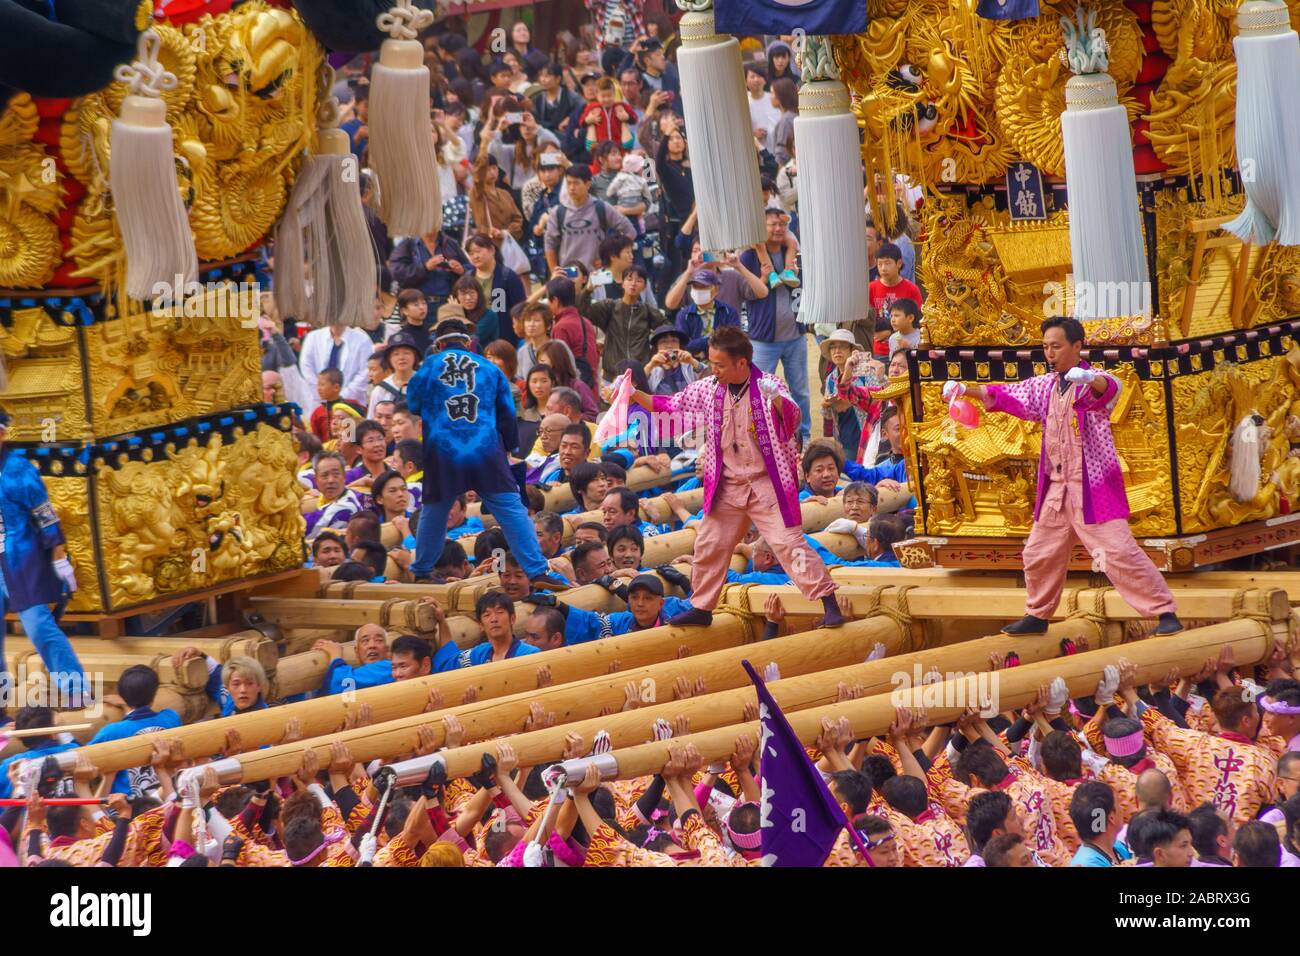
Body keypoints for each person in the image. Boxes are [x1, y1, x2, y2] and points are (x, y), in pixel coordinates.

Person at [944, 316, 1182, 636]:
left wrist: (1087, 377)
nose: (1050, 353)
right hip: (1057, 488)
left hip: (1092, 488)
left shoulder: (1091, 380)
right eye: (1045, 347)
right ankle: (1038, 615)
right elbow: (1004, 394)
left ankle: (1164, 612)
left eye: (1056, 346)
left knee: (1118, 551)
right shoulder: (1045, 386)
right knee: (1039, 552)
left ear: (1077, 346)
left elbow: (1110, 387)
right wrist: (965, 389)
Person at [628, 327, 843, 628]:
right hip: (728, 483)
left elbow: (792, 418)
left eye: (719, 364)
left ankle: (828, 601)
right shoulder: (709, 388)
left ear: (741, 363)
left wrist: (778, 401)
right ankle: (702, 606)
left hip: (766, 481)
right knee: (709, 542)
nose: (713, 369)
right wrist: (634, 394)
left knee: (786, 542)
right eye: (712, 363)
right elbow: (672, 404)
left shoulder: (769, 385)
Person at [405, 317, 568, 591]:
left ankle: (421, 569)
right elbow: (507, 414)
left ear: (440, 344)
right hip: (485, 451)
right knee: (511, 509)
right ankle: (537, 569)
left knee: (434, 510)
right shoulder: (490, 369)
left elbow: (413, 404)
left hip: (443, 452)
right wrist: (510, 449)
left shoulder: (428, 367)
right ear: (469, 344)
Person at [0, 409, 86, 709]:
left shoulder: (18, 470)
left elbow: (45, 516)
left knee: (39, 627)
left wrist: (59, 557)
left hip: (21, 559)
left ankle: (76, 689)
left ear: (2, 433)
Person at [741, 208, 811, 441]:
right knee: (759, 392)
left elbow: (803, 282)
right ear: (762, 227)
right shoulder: (749, 257)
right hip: (763, 340)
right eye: (772, 224)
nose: (778, 228)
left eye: (782, 224)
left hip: (795, 337)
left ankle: (804, 436)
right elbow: (747, 293)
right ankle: (761, 437)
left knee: (800, 391)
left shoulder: (792, 250)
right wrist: (763, 278)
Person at [87, 665, 183, 797]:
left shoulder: (111, 732)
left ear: (122, 695)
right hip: (170, 796)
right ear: (154, 694)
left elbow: (85, 757)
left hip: (126, 806)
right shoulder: (171, 718)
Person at [545, 165, 636, 272]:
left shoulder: (602, 208)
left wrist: (610, 258)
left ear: (587, 184)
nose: (571, 188)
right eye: (568, 183)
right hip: (569, 274)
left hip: (597, 272)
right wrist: (554, 273)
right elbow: (550, 244)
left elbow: (630, 231)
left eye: (576, 183)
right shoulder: (558, 212)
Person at [298, 323, 373, 416]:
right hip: (317, 403)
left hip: (350, 405)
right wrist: (321, 391)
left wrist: (339, 397)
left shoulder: (363, 340)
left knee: (348, 430)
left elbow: (365, 373)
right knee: (318, 428)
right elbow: (306, 367)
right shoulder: (313, 337)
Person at [389, 227, 469, 311]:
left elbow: (471, 269)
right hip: (417, 305)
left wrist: (461, 270)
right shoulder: (408, 245)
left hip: (448, 303)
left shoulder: (450, 243)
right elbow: (397, 273)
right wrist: (425, 267)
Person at [868, 243, 922, 358]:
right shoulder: (871, 288)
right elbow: (868, 320)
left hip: (905, 349)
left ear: (899, 263)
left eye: (887, 263)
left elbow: (917, 320)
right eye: (879, 264)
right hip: (879, 351)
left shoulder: (911, 289)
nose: (883, 268)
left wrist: (890, 332)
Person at [367, 331, 422, 418]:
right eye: (396, 354)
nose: (401, 358)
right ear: (389, 359)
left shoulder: (425, 384)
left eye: (406, 353)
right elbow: (372, 421)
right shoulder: (380, 390)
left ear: (415, 356)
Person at [646, 325, 703, 395]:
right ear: (656, 347)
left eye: (674, 340)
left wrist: (693, 361)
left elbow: (711, 377)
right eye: (664, 341)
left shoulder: (689, 366)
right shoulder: (653, 370)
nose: (670, 345)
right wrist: (650, 366)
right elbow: (636, 386)